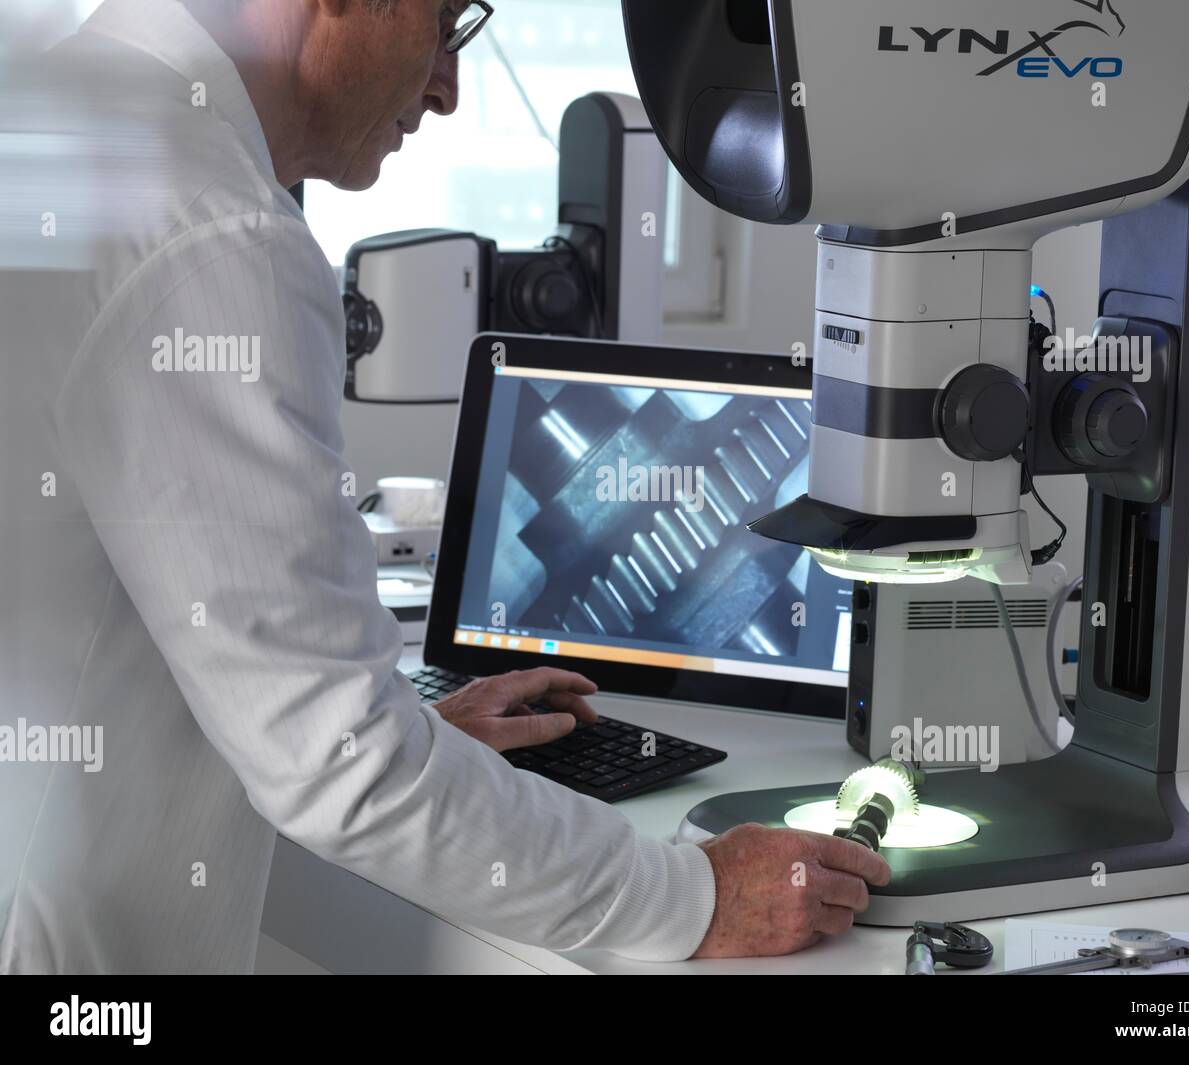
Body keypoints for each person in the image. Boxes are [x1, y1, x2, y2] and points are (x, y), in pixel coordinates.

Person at [0, 0, 888, 973]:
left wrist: (405, 729)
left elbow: (124, 599)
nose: (448, 87)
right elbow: (344, 776)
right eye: (444, 21)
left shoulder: (56, 106)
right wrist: (693, 897)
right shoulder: (209, 227)